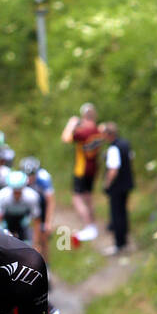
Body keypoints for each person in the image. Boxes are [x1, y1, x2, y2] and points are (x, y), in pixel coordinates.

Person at [61, 102, 103, 240]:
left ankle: (88, 226)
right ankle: (93, 225)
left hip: (82, 169)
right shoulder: (97, 130)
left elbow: (65, 138)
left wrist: (72, 124)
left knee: (77, 198)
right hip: (93, 169)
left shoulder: (83, 132)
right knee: (88, 197)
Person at [102, 121, 134, 255]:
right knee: (123, 213)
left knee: (116, 215)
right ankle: (124, 242)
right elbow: (131, 158)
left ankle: (119, 244)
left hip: (117, 187)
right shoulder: (125, 144)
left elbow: (113, 170)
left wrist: (107, 183)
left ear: (109, 135)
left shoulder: (113, 148)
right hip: (127, 184)